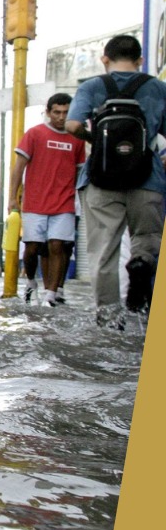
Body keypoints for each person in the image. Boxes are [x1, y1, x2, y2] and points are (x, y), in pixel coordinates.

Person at [65, 34, 166, 326]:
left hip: (101, 178)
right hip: (147, 178)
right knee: (147, 239)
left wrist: (95, 139)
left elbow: (72, 124)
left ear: (104, 59)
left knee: (104, 251)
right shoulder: (158, 89)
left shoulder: (93, 86)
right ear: (140, 60)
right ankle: (141, 264)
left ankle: (109, 319)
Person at [7, 94, 86, 307]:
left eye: (66, 113)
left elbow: (80, 174)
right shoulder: (34, 134)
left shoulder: (77, 139)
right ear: (48, 112)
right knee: (32, 248)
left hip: (65, 203)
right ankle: (31, 281)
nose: (61, 117)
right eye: (57, 112)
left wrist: (80, 202)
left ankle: (51, 294)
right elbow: (18, 167)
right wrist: (13, 198)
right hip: (35, 202)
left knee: (57, 245)